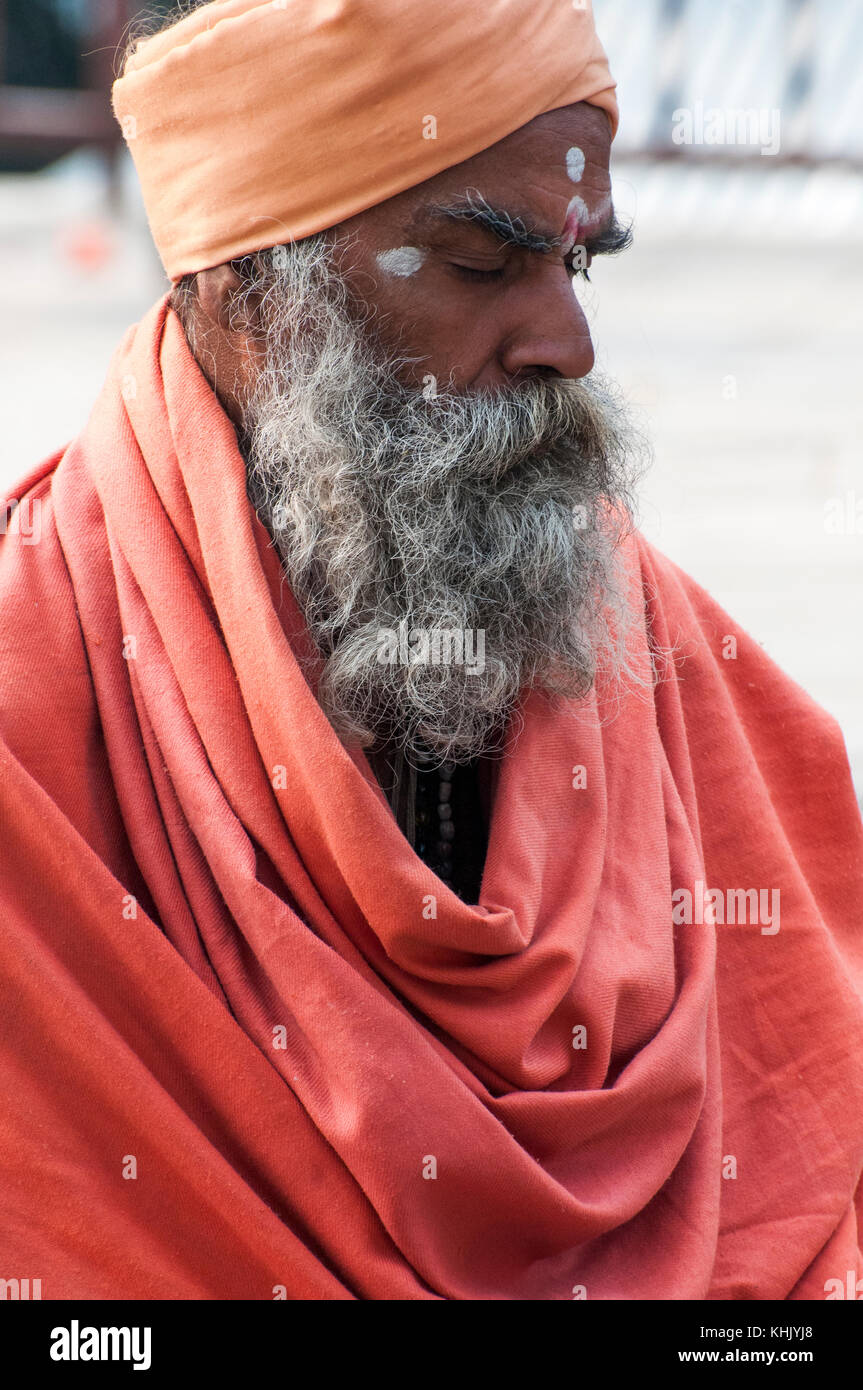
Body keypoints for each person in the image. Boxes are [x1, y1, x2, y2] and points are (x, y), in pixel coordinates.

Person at [1, 0, 861, 1301]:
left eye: (580, 268)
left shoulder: (661, 643)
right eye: (479, 265)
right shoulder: (31, 693)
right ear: (250, 295)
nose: (569, 346)